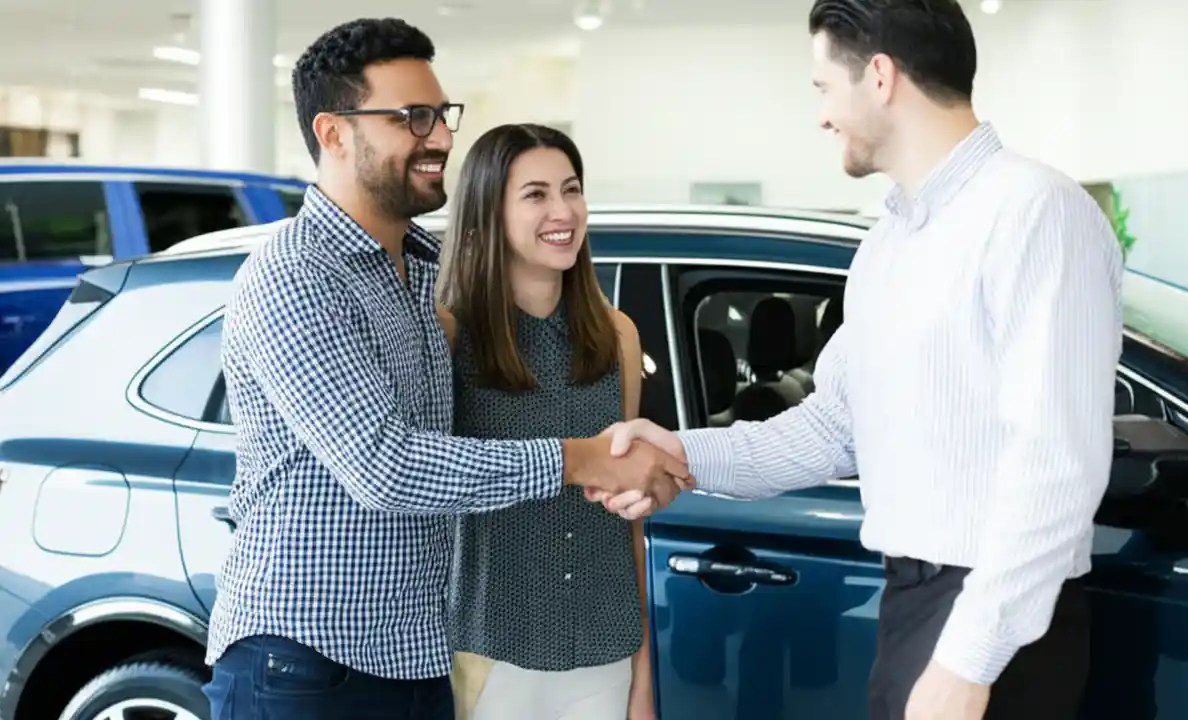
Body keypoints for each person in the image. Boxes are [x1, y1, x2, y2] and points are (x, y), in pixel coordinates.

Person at [599, 1, 1124, 719]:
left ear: (878, 76)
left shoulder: (1035, 213)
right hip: (914, 601)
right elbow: (830, 429)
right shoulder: (888, 243)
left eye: (822, 87)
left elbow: (1055, 465)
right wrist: (679, 453)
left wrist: (968, 661)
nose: (820, 115)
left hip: (993, 620)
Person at [201, 18, 687, 720]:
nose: (440, 138)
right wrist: (579, 460)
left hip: (414, 660)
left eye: (441, 116)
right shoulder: (295, 276)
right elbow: (385, 467)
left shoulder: (419, 274)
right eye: (412, 118)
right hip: (305, 663)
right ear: (333, 133)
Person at [435, 123, 655, 720]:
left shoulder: (617, 336)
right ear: (487, 214)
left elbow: (627, 517)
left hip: (604, 653)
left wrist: (642, 674)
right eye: (535, 194)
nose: (563, 211)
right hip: (485, 654)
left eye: (572, 189)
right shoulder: (450, 336)